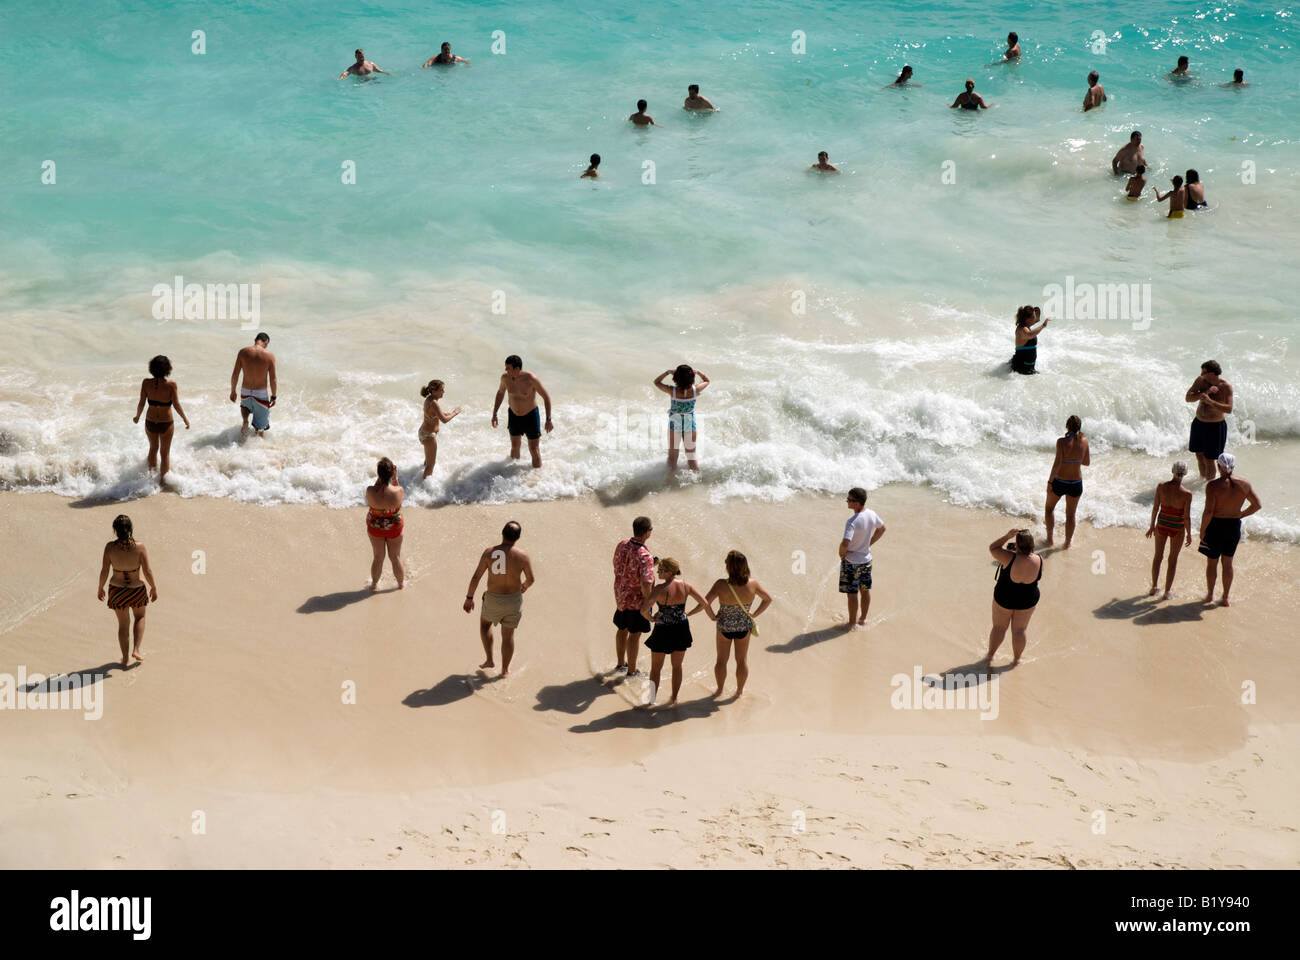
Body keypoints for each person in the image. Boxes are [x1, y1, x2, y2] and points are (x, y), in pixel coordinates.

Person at [696, 551, 772, 698]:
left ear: (729, 567)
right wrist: (754, 614)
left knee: (721, 660)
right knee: (742, 660)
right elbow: (768, 599)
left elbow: (704, 603)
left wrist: (713, 616)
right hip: (744, 627)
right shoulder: (753, 583)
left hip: (724, 627)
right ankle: (739, 692)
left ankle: (719, 690)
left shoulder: (721, 584)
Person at [463, 522, 535, 677]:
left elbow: (476, 577)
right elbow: (531, 579)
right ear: (519, 537)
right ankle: (505, 670)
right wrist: (524, 587)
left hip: (493, 599)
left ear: (502, 533)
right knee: (508, 636)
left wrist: (469, 598)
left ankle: (489, 659)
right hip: (513, 600)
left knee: (485, 625)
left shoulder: (489, 552)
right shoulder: (523, 556)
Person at [639, 558, 712, 707]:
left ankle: (652, 699)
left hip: (663, 629)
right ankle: (674, 698)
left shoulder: (659, 589)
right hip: (681, 628)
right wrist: (689, 613)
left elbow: (643, 610)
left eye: (660, 570)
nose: (658, 572)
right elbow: (704, 603)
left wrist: (652, 618)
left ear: (669, 572)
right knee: (677, 666)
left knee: (656, 668)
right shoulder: (686, 586)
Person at [1199, 453, 1261, 607]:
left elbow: (1208, 512)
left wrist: (1202, 530)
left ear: (1219, 466)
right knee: (1228, 563)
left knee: (1212, 563)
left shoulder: (1212, 486)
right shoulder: (1244, 484)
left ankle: (1210, 595)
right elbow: (1257, 505)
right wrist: (1240, 514)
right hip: (1233, 526)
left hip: (1215, 526)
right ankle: (1226, 597)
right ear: (1233, 466)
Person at [97, 515, 158, 669]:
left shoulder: (109, 547)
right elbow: (147, 570)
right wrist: (153, 587)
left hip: (117, 590)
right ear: (131, 529)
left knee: (123, 625)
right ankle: (136, 650)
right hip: (136, 589)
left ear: (115, 530)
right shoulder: (140, 547)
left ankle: (125, 659)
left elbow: (104, 570)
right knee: (140, 617)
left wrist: (100, 587)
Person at [985, 528, 1041, 668]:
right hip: (1027, 600)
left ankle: (990, 656)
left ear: (1017, 544)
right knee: (1020, 630)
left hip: (1005, 597)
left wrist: (1007, 536)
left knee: (999, 628)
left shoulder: (1009, 557)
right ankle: (1016, 660)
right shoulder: (1039, 560)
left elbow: (993, 548)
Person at [132, 355, 190, 486]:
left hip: (150, 421)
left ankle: (150, 479)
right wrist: (185, 419)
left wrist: (137, 416)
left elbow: (141, 402)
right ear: (167, 369)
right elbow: (176, 404)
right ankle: (163, 482)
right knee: (165, 453)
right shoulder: (171, 385)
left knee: (153, 448)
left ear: (151, 368)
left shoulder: (146, 383)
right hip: (166, 423)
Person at [612, 517, 656, 677]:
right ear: (647, 532)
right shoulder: (645, 556)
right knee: (635, 634)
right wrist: (649, 603)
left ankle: (620, 664)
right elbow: (646, 584)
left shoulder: (622, 544)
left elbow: (618, 565)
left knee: (621, 628)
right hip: (636, 601)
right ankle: (631, 670)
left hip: (620, 596)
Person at [491, 355, 553, 468]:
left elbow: (546, 397)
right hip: (514, 415)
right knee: (515, 447)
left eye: (508, 368)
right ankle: (512, 472)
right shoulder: (505, 378)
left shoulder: (531, 379)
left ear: (517, 369)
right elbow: (500, 393)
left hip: (531, 416)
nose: (506, 370)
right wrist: (494, 413)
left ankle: (537, 478)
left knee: (534, 450)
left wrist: (548, 419)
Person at [1145, 461, 1194, 599]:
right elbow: (1186, 517)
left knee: (1158, 556)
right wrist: (1189, 534)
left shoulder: (1161, 487)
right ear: (1185, 473)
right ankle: (1167, 592)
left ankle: (1154, 587)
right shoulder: (1187, 494)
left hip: (1161, 525)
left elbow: (1155, 508)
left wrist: (1151, 526)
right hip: (1177, 528)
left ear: (1172, 470)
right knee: (1172, 560)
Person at [839, 487, 886, 630]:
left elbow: (845, 543)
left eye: (850, 500)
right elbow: (882, 528)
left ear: (858, 503)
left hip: (851, 562)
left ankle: (852, 623)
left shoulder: (852, 521)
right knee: (865, 590)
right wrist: (868, 543)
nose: (847, 501)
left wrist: (841, 554)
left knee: (852, 594)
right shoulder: (871, 514)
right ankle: (863, 619)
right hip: (866, 560)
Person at [653, 364, 710, 472]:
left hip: (675, 424)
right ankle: (696, 481)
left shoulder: (672, 391)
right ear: (692, 377)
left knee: (672, 457)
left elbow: (656, 382)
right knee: (691, 456)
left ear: (675, 378)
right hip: (690, 423)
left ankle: (670, 481)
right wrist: (698, 372)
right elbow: (707, 380)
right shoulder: (695, 389)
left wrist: (668, 372)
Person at [1045, 415, 1089, 548]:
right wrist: (1075, 459)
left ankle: (1050, 540)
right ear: (1079, 427)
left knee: (1049, 509)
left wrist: (1050, 482)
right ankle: (1067, 543)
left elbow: (1057, 464)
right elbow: (1086, 462)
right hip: (1076, 483)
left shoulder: (1061, 442)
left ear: (1067, 426)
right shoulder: (1085, 441)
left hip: (1060, 481)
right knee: (1071, 515)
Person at [1185, 360, 1233, 480]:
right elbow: (1188, 398)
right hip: (1199, 423)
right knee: (1199, 455)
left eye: (1203, 372)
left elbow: (1229, 409)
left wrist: (1210, 401)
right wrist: (1204, 393)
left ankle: (1209, 485)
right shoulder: (1201, 381)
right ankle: (1202, 481)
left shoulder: (1225, 387)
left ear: (1212, 373)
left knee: (1210, 459)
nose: (1201, 374)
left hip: (1215, 427)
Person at [365, 458, 405, 590]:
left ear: (378, 474)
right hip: (394, 527)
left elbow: (377, 489)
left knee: (378, 557)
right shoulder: (398, 491)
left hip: (375, 527)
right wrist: (395, 478)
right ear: (391, 473)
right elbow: (397, 492)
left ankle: (374, 584)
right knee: (395, 557)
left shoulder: (370, 491)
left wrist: (380, 478)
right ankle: (400, 584)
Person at [230, 332, 277, 438]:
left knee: (245, 407)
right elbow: (273, 379)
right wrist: (274, 396)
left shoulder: (243, 352)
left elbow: (235, 374)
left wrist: (233, 390)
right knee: (260, 428)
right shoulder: (269, 356)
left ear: (255, 339)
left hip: (246, 390)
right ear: (266, 342)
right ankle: (259, 448)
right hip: (260, 393)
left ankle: (245, 420)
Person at [418, 379, 461, 479]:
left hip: (423, 432)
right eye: (441, 390)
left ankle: (419, 481)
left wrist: (447, 413)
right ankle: (423, 489)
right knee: (430, 466)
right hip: (428, 435)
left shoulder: (429, 399)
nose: (443, 392)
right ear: (434, 391)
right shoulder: (434, 403)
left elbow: (435, 414)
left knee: (427, 462)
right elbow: (444, 420)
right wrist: (455, 412)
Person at [1011, 304, 1048, 374]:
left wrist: (1036, 312)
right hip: (1021, 367)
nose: (1035, 318)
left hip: (1027, 368)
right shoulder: (1022, 329)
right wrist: (1043, 325)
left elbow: (1035, 321)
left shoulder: (1026, 326)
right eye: (1034, 317)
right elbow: (1029, 335)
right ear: (1027, 319)